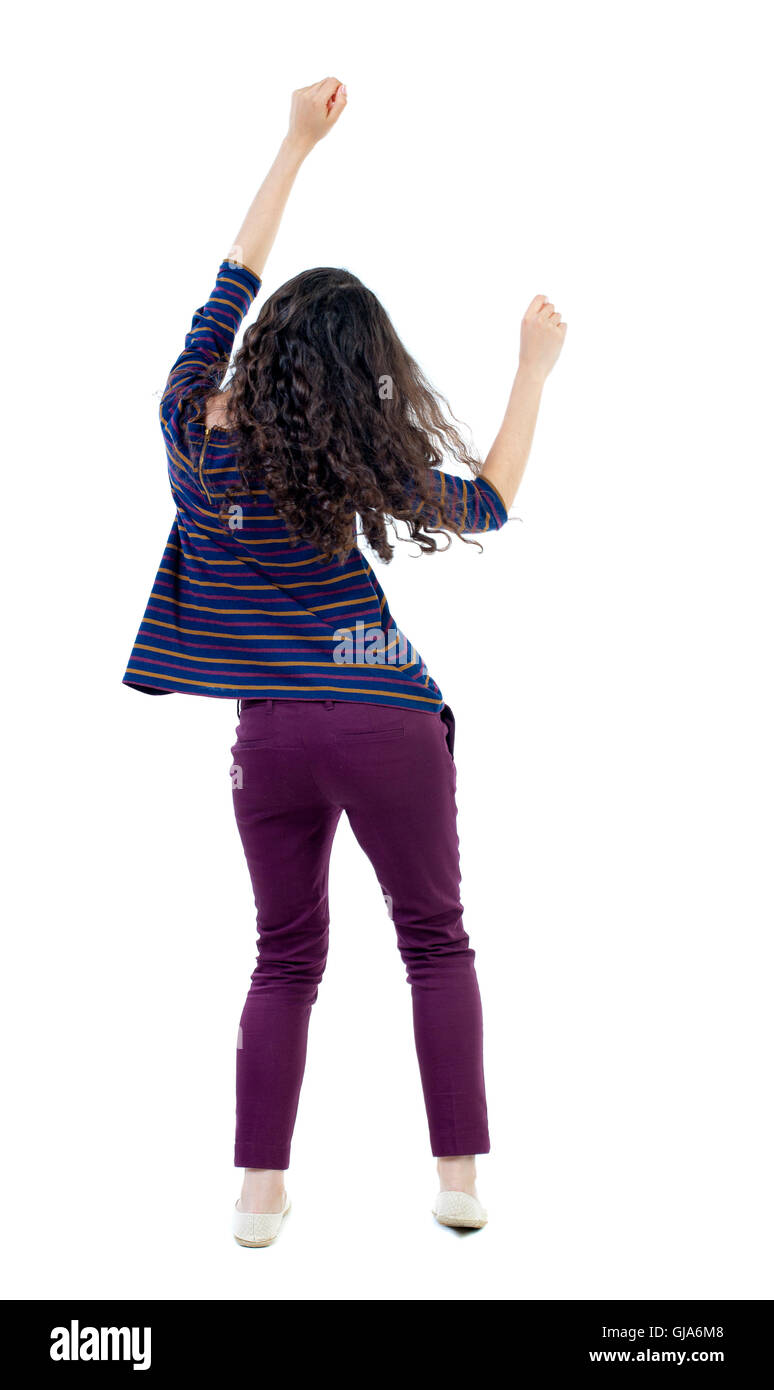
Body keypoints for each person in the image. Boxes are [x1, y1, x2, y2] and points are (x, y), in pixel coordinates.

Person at [123, 77, 567, 1245]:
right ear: (355, 373)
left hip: (269, 735)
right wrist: (533, 369)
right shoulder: (357, 458)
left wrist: (292, 145)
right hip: (387, 719)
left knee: (283, 955)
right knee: (435, 937)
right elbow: (490, 503)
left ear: (263, 351)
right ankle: (460, 1178)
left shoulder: (188, 425)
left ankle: (258, 1193)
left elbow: (233, 272)